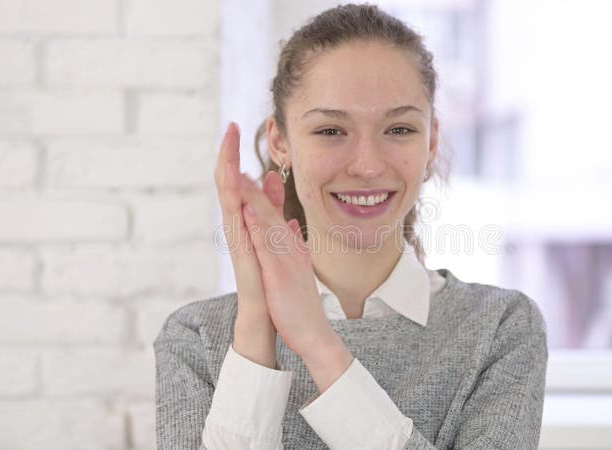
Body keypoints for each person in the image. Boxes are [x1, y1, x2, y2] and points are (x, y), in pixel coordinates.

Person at [154, 4, 548, 449]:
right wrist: (255, 334)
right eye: (330, 131)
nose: (366, 165)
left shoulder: (499, 328)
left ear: (432, 141)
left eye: (398, 129)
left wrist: (318, 342)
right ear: (281, 143)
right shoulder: (196, 338)